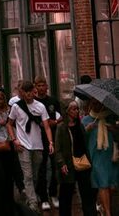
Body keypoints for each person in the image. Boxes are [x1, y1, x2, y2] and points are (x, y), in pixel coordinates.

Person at [7, 79, 53, 212]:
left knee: (35, 173)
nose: (28, 95)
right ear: (22, 92)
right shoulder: (16, 107)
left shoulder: (40, 107)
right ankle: (33, 203)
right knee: (27, 175)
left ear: (34, 92)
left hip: (37, 145)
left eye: (30, 92)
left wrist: (50, 142)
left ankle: (31, 195)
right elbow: (9, 123)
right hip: (23, 145)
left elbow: (47, 127)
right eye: (25, 92)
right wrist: (14, 139)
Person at [54, 99, 95, 216]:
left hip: (83, 163)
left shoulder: (80, 125)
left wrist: (88, 129)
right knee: (66, 195)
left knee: (87, 194)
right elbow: (58, 149)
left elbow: (82, 141)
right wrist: (62, 163)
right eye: (73, 109)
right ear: (67, 111)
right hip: (69, 165)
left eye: (77, 108)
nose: (76, 111)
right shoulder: (62, 127)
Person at [83, 95, 119, 216]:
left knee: (111, 186)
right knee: (102, 184)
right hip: (96, 156)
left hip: (111, 156)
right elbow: (79, 139)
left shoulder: (110, 118)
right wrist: (86, 129)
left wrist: (113, 129)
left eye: (98, 103)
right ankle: (108, 213)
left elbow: (117, 135)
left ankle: (102, 205)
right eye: (93, 103)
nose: (95, 105)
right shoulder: (87, 120)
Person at [35, 75, 61, 211]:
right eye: (38, 85)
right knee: (42, 167)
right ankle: (43, 197)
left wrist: (54, 122)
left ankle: (53, 194)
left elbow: (61, 117)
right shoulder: (33, 102)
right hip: (38, 139)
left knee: (54, 166)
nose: (41, 88)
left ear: (47, 86)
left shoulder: (53, 101)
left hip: (53, 137)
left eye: (42, 85)